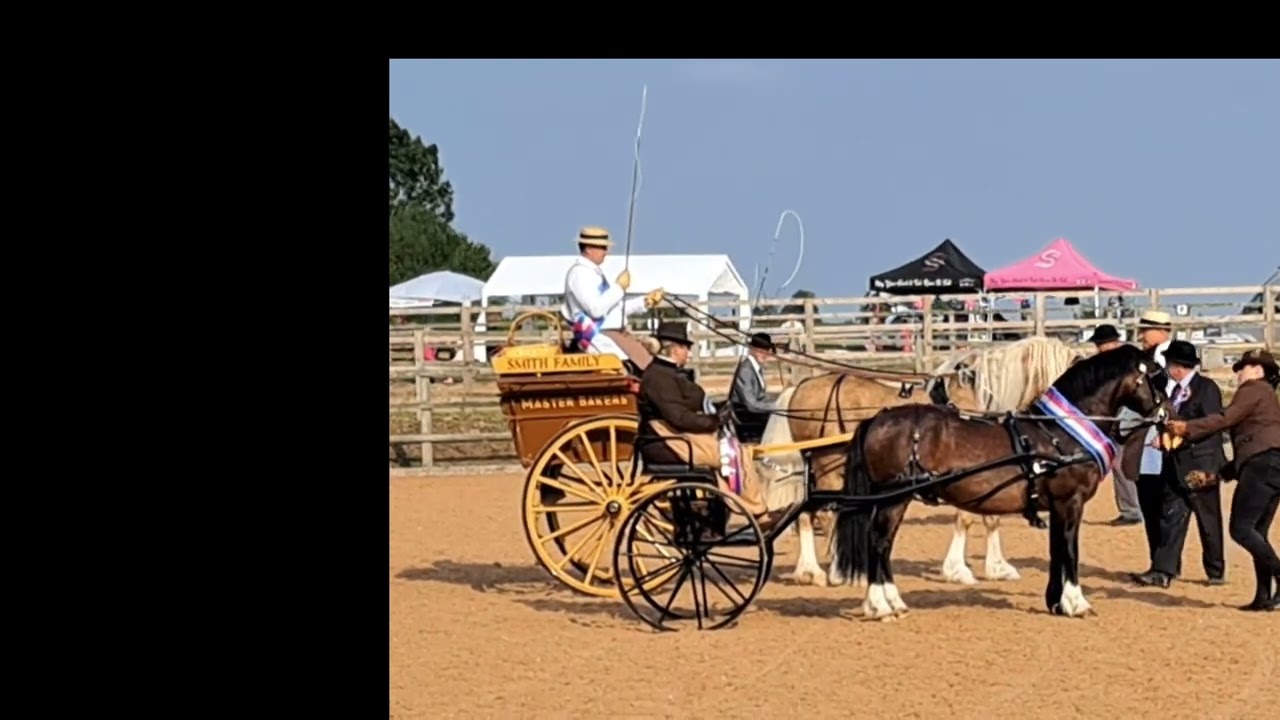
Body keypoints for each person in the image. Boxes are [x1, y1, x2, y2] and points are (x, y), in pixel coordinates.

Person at [637, 321, 783, 531]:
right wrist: (714, 421)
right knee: (734, 453)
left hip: (675, 433)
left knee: (733, 450)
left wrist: (717, 410)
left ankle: (741, 508)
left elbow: (686, 406)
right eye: (686, 348)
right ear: (674, 349)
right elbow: (678, 417)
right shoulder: (659, 378)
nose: (688, 353)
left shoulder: (666, 373)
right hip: (668, 439)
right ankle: (758, 513)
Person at [1167, 348, 1280, 611]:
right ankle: (1263, 596)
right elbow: (1251, 445)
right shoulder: (1266, 398)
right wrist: (1217, 475)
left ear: (1259, 371)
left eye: (1245, 367)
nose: (1239, 372)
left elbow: (1225, 418)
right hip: (1271, 466)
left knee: (1240, 530)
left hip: (1262, 466)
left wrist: (1188, 427)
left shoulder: (1253, 389)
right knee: (1257, 533)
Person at [1131, 340, 1226, 588]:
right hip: (1173, 462)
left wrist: (1178, 435)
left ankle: (1215, 570)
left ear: (1178, 367)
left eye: (1171, 364)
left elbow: (1212, 424)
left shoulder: (1206, 388)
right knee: (1170, 515)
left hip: (1201, 461)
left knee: (1208, 518)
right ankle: (1163, 570)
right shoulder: (1165, 388)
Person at [1122, 310, 1176, 565]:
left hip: (1163, 433)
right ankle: (1158, 561)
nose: (1142, 335)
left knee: (1161, 504)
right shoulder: (1149, 357)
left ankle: (1164, 563)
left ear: (1160, 331)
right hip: (1147, 435)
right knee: (1150, 502)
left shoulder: (1169, 358)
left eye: (1145, 330)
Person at [561, 226, 653, 371]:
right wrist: (618, 287)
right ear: (588, 249)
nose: (606, 252)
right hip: (596, 337)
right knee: (645, 368)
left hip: (610, 334)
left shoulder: (593, 273)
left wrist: (645, 301)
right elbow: (596, 310)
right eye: (602, 248)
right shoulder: (580, 274)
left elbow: (613, 310)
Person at [1089, 323, 1143, 526]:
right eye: (1099, 344)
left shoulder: (1126, 364)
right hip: (1110, 419)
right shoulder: (1100, 365)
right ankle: (1131, 509)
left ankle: (1132, 510)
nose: (1100, 348)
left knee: (1121, 463)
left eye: (1103, 344)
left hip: (1127, 416)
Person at [729, 332, 776, 442]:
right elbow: (751, 405)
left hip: (753, 413)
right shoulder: (746, 370)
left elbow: (761, 397)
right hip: (745, 416)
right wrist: (776, 407)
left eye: (766, 350)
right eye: (760, 350)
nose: (764, 354)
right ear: (752, 349)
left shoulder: (756, 368)